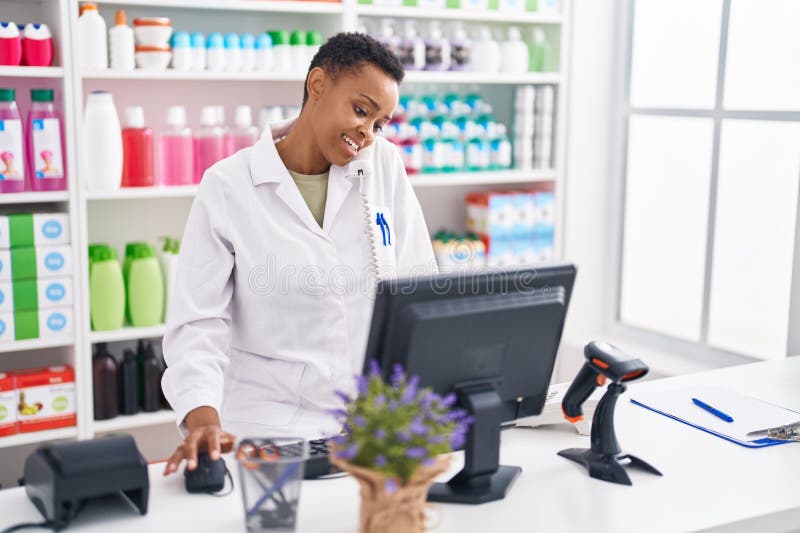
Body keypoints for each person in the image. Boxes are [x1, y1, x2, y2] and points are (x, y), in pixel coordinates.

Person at [161, 33, 436, 475]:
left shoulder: (382, 166)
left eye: (379, 123)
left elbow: (419, 288)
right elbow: (197, 323)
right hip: (268, 431)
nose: (368, 133)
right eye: (361, 110)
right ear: (318, 84)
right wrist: (202, 418)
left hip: (367, 431)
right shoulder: (228, 185)